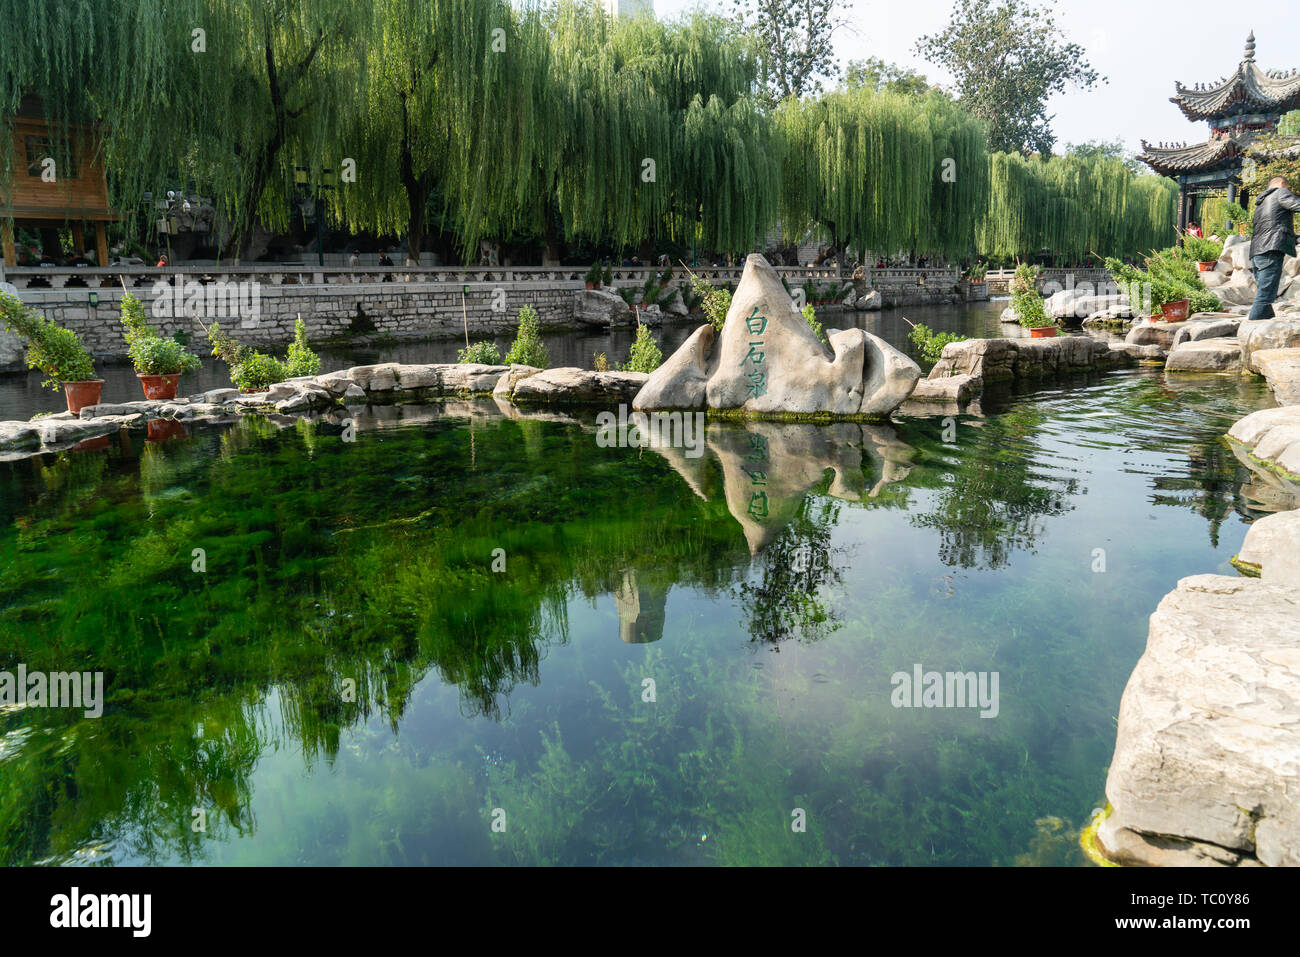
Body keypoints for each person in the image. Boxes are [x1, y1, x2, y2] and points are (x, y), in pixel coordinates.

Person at [1247, 175, 1300, 321]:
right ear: (1282, 184)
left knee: (1266, 295)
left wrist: (1295, 238)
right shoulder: (1280, 192)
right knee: (1265, 296)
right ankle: (1251, 331)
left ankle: (1266, 324)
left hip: (1257, 253)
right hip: (1270, 251)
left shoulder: (1261, 203)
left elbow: (1271, 227)